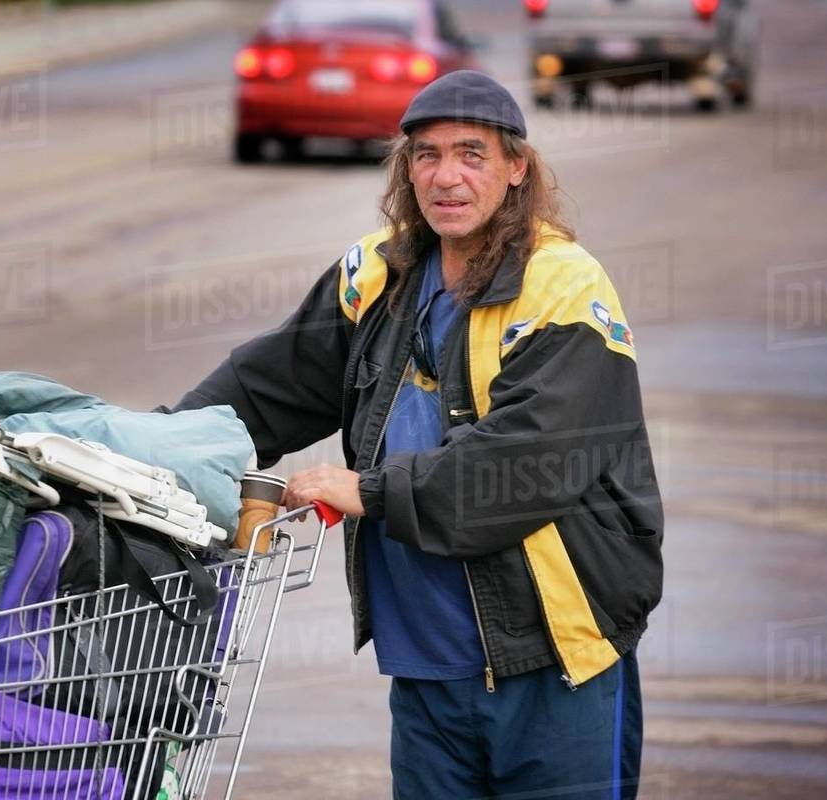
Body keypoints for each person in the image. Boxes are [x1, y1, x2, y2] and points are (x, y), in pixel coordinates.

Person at [166, 70, 663, 799]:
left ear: (516, 168)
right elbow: (266, 387)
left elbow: (523, 467)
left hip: (556, 663)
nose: (446, 177)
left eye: (471, 153)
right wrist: (154, 452)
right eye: (425, 155)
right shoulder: (379, 272)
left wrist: (367, 489)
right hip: (427, 668)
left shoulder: (564, 285)